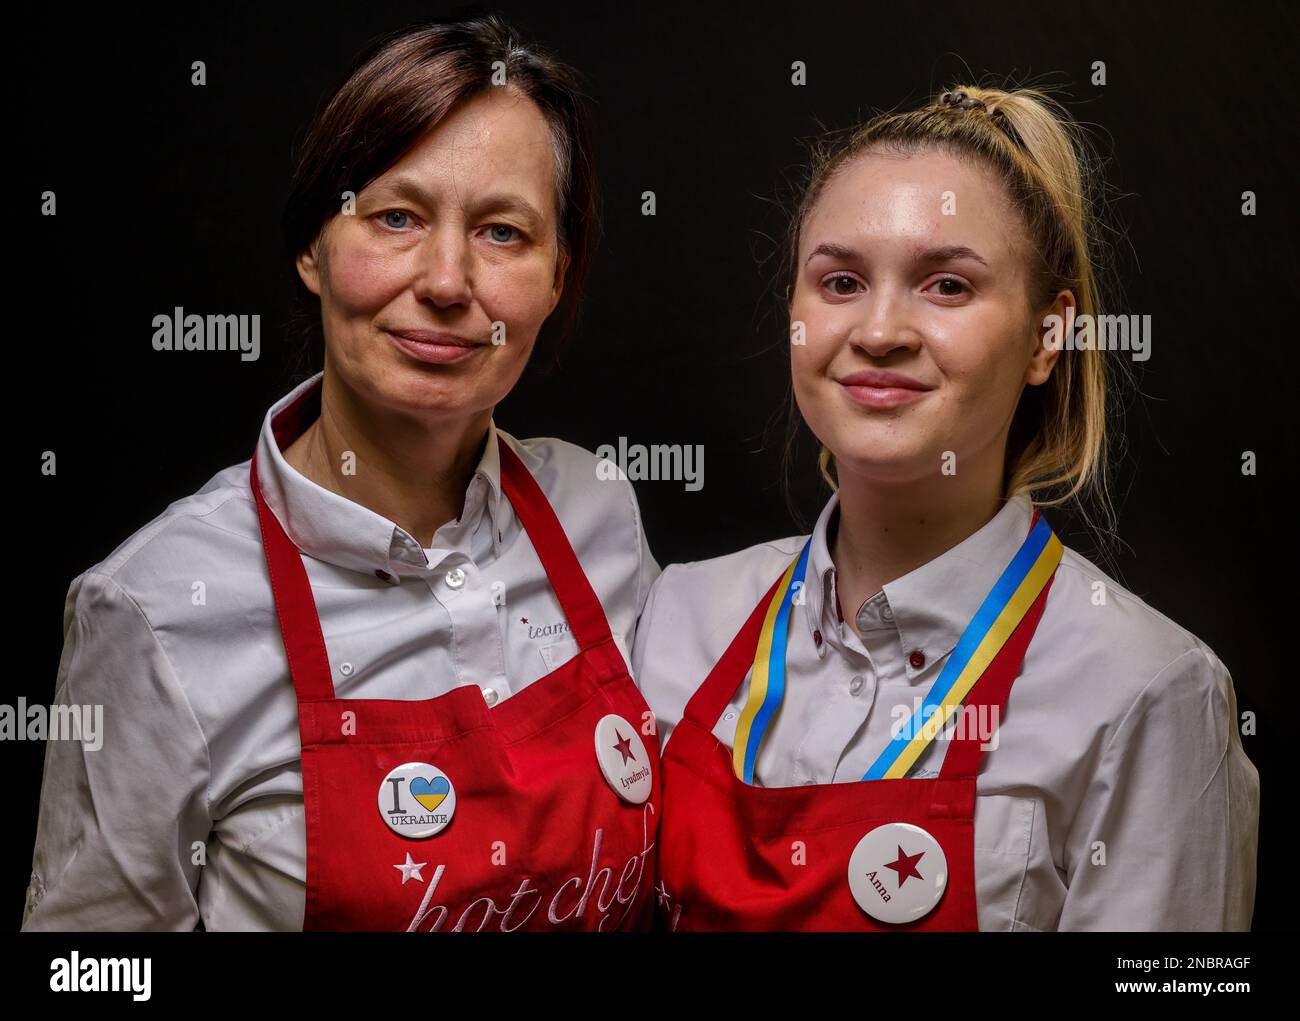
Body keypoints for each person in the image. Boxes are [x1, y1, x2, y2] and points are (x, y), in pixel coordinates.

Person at [23, 15, 661, 932]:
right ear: (312, 247)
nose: (448, 279)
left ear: (559, 274)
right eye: (395, 216)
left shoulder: (597, 510)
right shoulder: (152, 609)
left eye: (503, 232)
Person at [633, 85, 1259, 931]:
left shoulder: (1150, 693)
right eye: (842, 280)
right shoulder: (676, 614)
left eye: (948, 286)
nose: (881, 329)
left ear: (1048, 336)